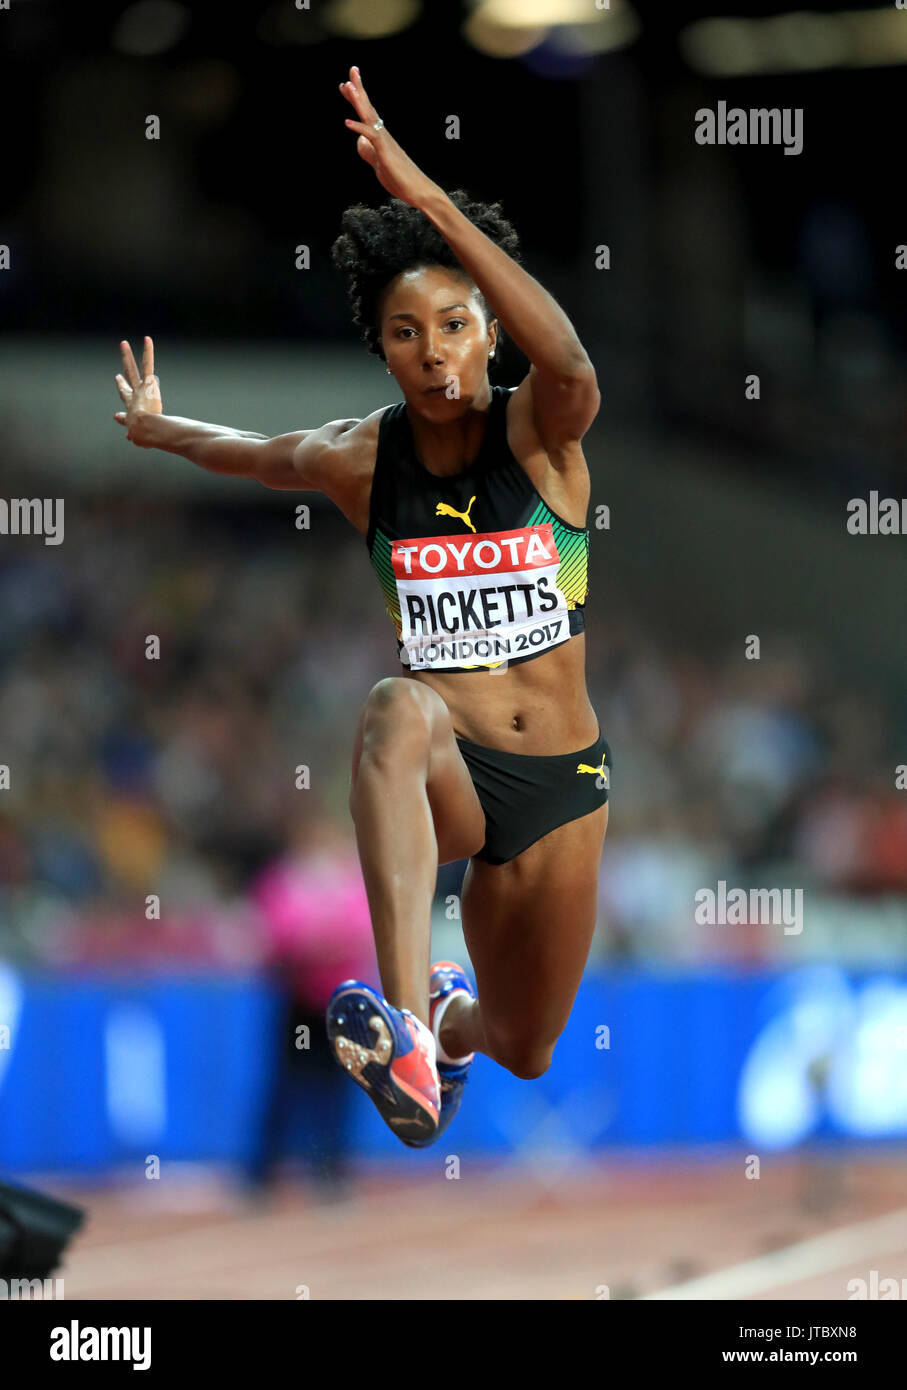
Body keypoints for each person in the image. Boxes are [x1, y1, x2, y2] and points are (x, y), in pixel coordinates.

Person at [113, 64, 610, 1151]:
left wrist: (426, 198)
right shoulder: (358, 459)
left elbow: (567, 352)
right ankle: (404, 1028)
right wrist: (159, 430)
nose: (432, 354)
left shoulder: (543, 430)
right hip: (457, 770)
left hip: (564, 783)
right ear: (378, 346)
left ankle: (447, 1017)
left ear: (488, 332)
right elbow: (251, 456)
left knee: (526, 1042)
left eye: (453, 325)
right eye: (404, 333)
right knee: (392, 705)